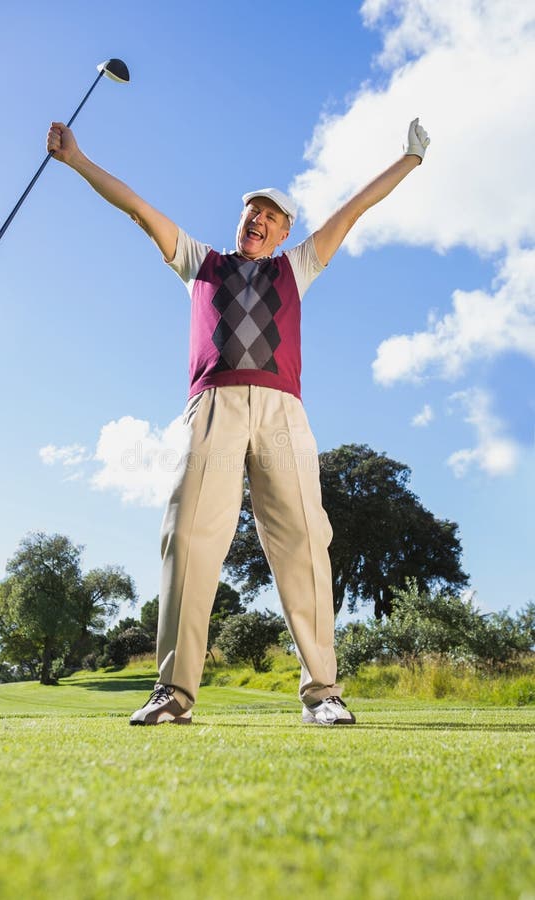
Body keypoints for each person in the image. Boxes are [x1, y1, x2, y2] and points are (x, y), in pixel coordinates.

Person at [47, 117, 430, 727]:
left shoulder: (296, 267)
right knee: (190, 539)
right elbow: (139, 210)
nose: (258, 220)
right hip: (215, 407)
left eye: (270, 216)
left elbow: (354, 209)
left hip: (282, 413)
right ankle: (173, 692)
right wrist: (78, 160)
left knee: (306, 541)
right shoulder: (200, 263)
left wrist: (408, 161)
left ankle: (323, 692)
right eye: (251, 211)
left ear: (284, 232)